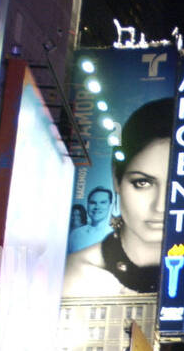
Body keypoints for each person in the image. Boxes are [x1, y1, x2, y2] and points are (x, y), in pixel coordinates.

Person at [61, 99, 175, 298]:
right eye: (143, 183)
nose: (160, 206)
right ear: (116, 179)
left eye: (176, 188)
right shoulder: (74, 277)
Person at [67, 186, 115, 253]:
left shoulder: (114, 236)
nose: (97, 207)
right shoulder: (75, 234)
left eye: (103, 202)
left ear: (110, 205)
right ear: (87, 205)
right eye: (93, 202)